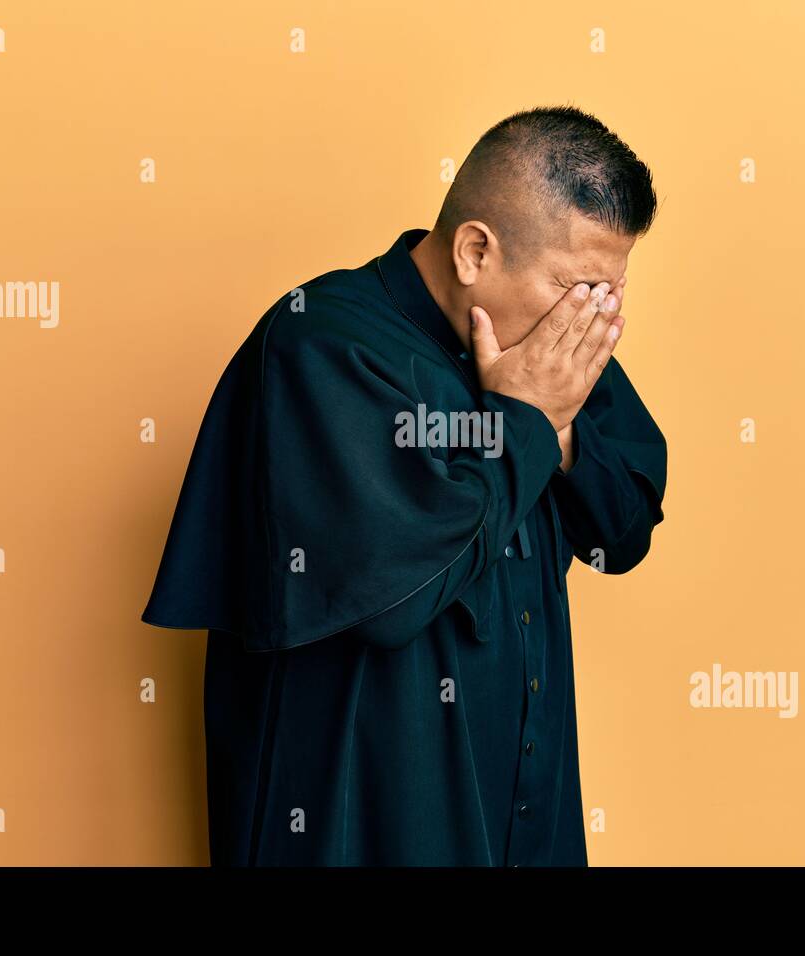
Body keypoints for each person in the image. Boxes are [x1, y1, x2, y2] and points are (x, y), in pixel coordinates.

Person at [140, 104, 667, 866]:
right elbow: (391, 594)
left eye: (610, 293)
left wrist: (556, 436)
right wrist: (524, 423)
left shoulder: (550, 351)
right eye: (578, 286)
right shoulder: (320, 344)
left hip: (523, 807)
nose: (596, 320)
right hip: (357, 818)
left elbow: (624, 530)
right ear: (475, 250)